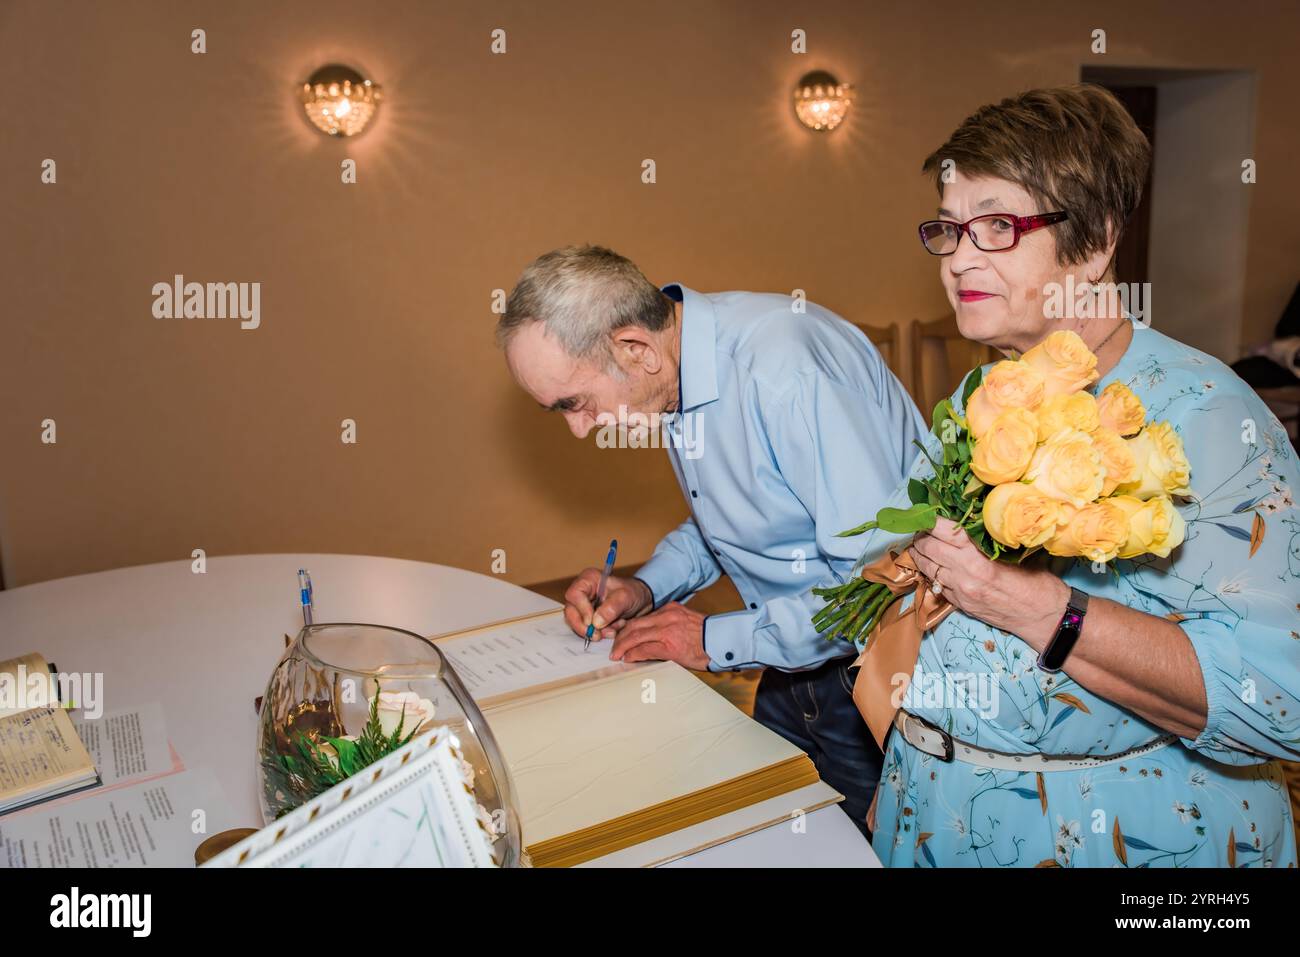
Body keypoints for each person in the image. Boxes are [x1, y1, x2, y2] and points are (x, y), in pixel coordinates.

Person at [852, 83, 1299, 866]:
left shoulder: (1204, 420)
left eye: (996, 226)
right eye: (949, 229)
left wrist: (1047, 610)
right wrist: (909, 770)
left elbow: (1281, 697)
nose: (958, 259)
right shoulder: (972, 396)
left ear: (1093, 246)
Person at [495, 245, 925, 835]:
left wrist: (711, 639)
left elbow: (882, 583)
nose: (578, 429)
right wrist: (644, 588)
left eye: (576, 403)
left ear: (634, 349)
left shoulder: (784, 371)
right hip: (783, 657)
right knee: (777, 839)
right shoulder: (672, 374)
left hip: (881, 683)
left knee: (859, 848)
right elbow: (730, 523)